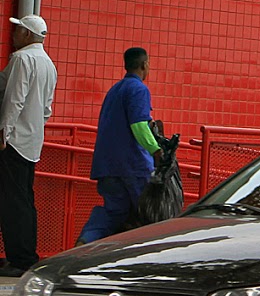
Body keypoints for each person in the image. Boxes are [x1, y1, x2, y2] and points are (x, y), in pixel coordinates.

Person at [78, 47, 164, 244]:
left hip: (106, 166)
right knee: (146, 214)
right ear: (145, 64)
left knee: (113, 211)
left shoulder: (114, 90)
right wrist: (155, 150)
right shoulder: (139, 89)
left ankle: (88, 238)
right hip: (132, 165)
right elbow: (139, 125)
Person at [0, 15, 57, 275]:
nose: (13, 34)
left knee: (12, 201)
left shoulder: (23, 59)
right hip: (32, 142)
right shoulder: (48, 64)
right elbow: (46, 110)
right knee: (24, 199)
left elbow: (14, 100)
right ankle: (25, 254)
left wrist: (4, 132)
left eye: (18, 29)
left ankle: (19, 258)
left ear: (26, 34)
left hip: (13, 142)